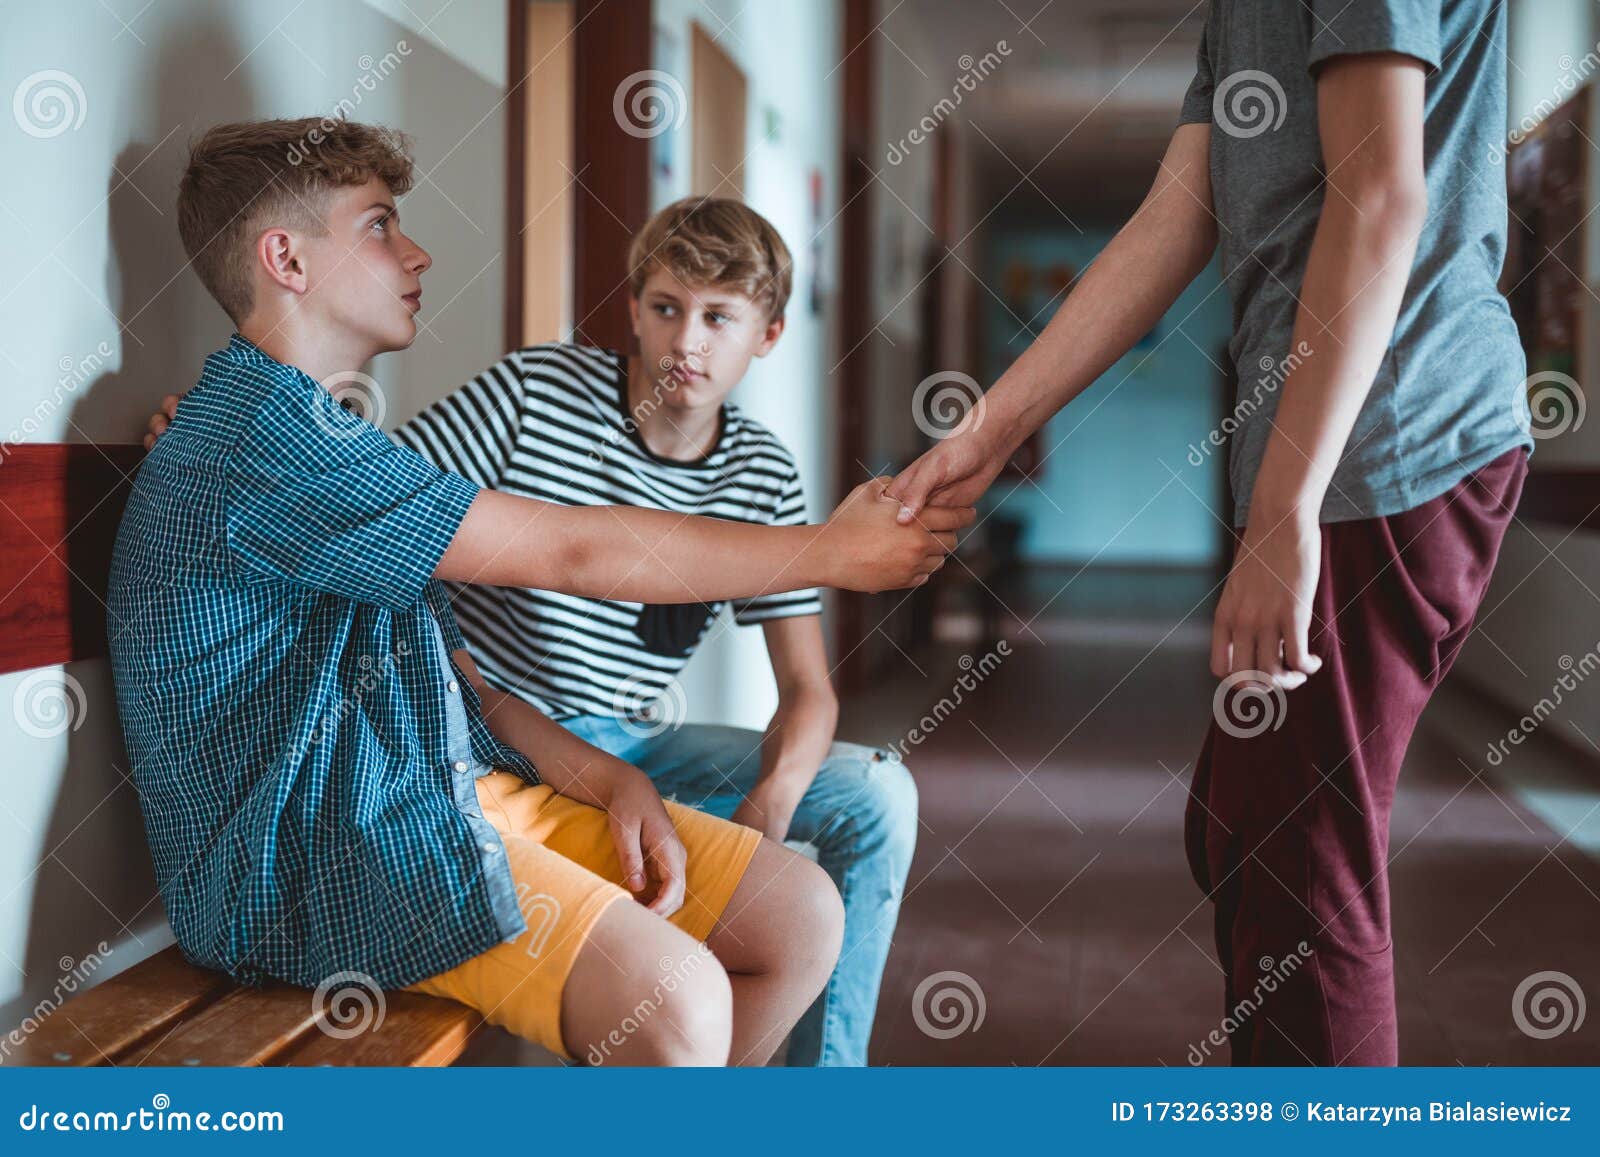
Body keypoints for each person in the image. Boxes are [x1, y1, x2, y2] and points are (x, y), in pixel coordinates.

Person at [112, 117, 970, 1066]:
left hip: (448, 779)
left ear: (763, 334)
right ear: (286, 257)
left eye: (719, 316)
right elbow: (572, 553)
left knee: (801, 916)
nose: (417, 250)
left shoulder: (329, 441)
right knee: (681, 1001)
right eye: (380, 225)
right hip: (323, 846)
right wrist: (828, 551)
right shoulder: (266, 436)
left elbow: (463, 679)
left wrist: (614, 777)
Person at [887, 0, 1532, 1065]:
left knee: (1298, 871)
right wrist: (991, 429)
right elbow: (1177, 213)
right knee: (1239, 827)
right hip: (1326, 450)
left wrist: (1281, 518)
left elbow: (1378, 197)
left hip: (1385, 437)